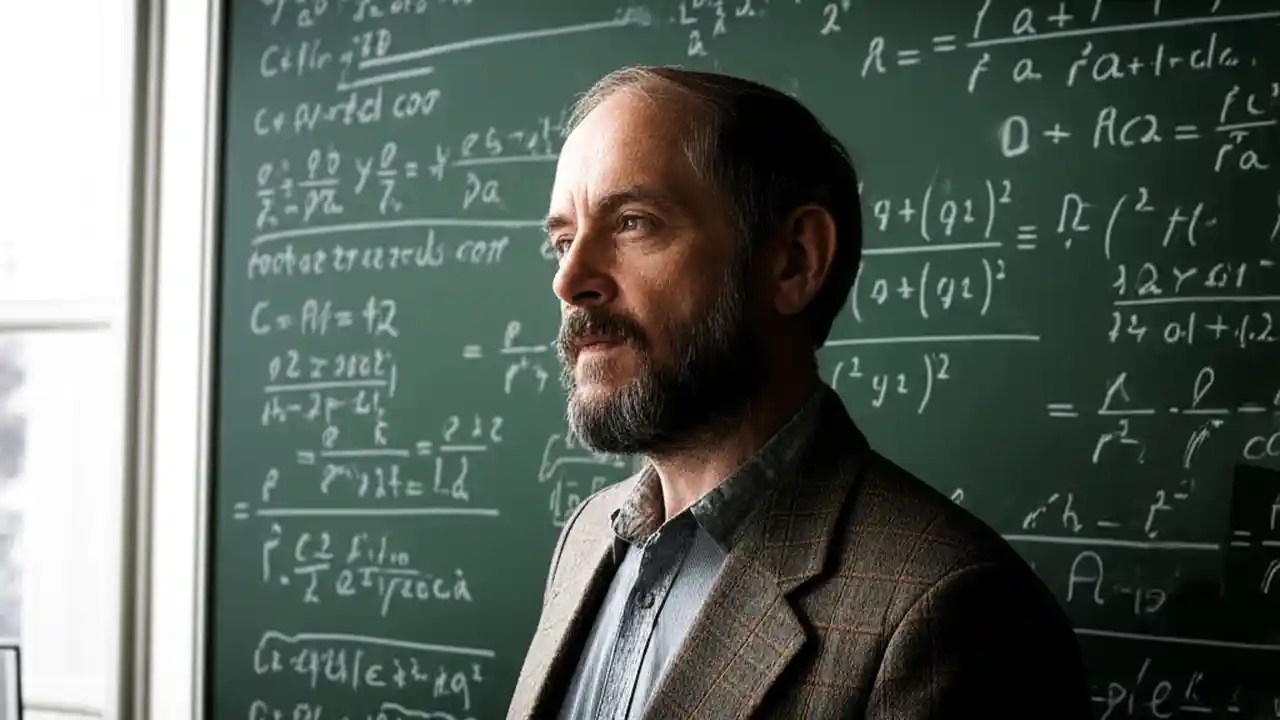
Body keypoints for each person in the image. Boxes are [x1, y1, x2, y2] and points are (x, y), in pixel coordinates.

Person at [508, 66, 1092, 720]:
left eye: (633, 223)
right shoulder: (586, 538)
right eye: (562, 241)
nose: (570, 280)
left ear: (794, 261)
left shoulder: (949, 612)